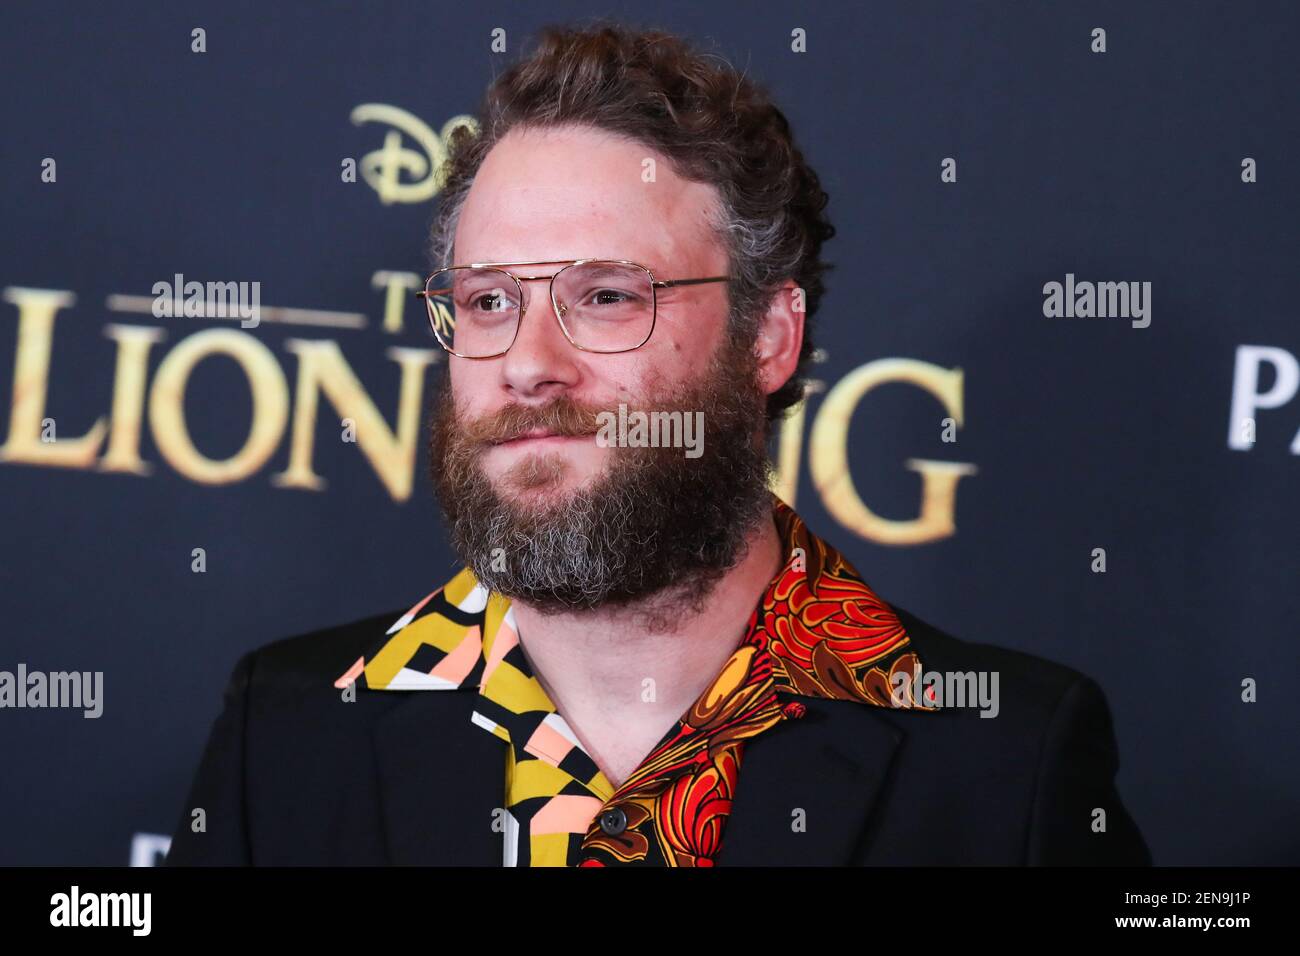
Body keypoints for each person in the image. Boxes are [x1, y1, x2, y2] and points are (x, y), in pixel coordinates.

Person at [164, 21, 1150, 867]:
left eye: (604, 297)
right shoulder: (287, 734)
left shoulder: (1002, 761)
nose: (526, 362)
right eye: (489, 300)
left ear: (768, 335)